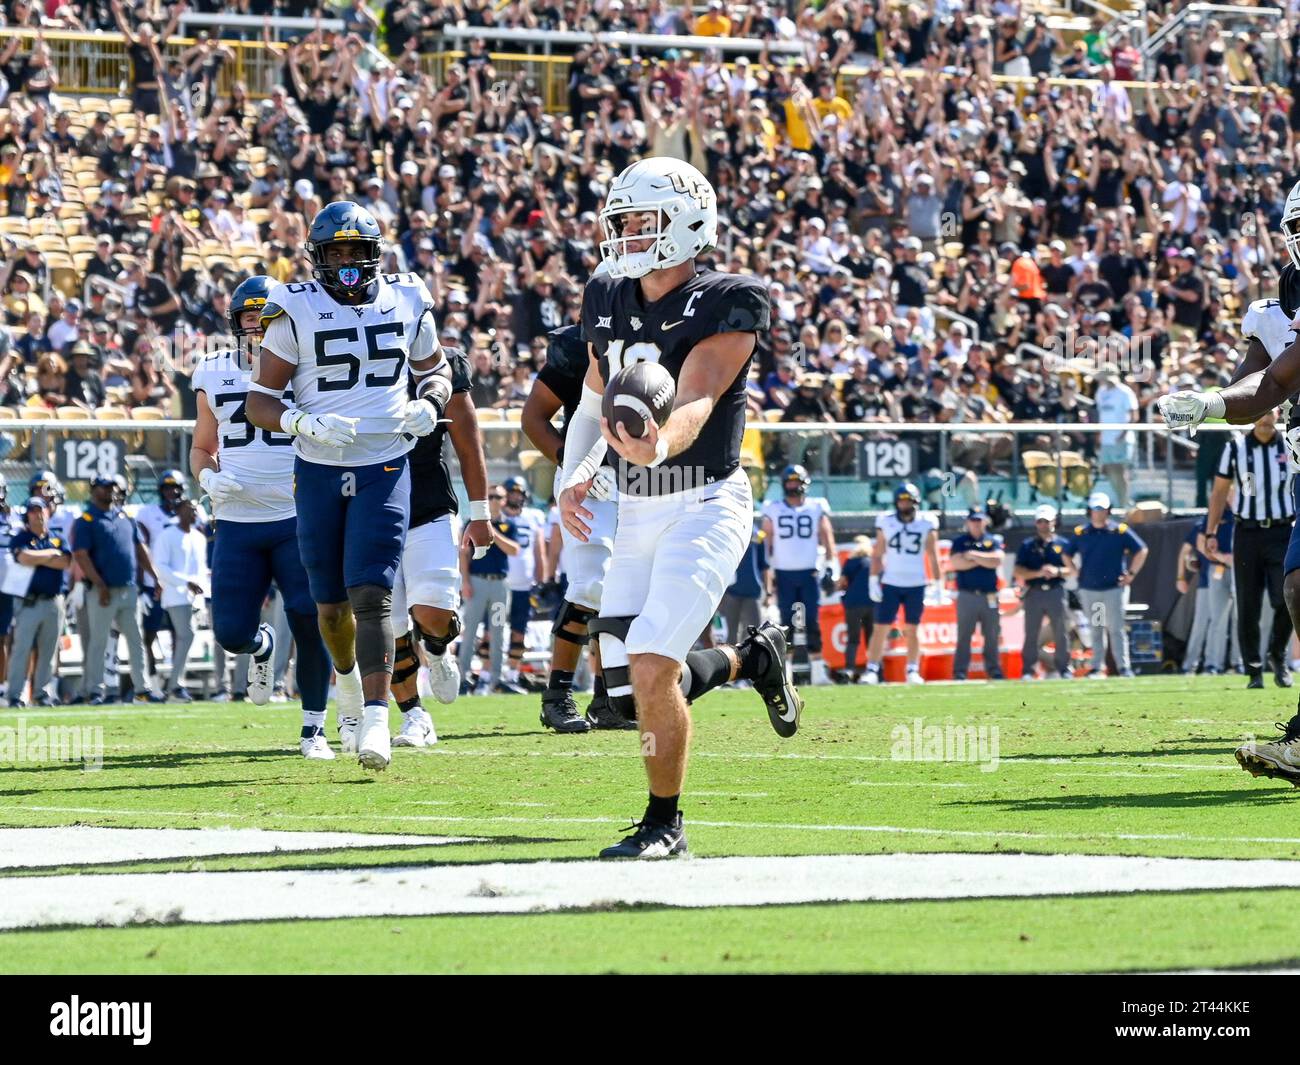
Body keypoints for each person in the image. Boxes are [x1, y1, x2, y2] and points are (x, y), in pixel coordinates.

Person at [558, 157, 802, 859]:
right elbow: (596, 391)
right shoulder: (605, 291)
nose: (629, 235)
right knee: (628, 693)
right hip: (635, 507)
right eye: (623, 221)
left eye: (644, 222)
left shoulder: (729, 298)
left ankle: (665, 822)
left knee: (649, 659)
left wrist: (656, 443)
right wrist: (579, 471)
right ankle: (751, 657)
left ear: (687, 225)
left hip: (705, 500)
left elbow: (697, 395)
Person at [246, 201, 481, 771]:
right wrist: (302, 421)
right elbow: (259, 401)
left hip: (386, 462)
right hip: (320, 467)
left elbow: (436, 369)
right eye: (337, 251)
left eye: (357, 250)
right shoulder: (292, 307)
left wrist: (429, 400)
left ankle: (379, 718)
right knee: (331, 609)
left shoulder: (406, 297)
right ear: (319, 257)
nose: (347, 262)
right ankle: (349, 690)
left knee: (372, 595)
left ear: (374, 255)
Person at [1158, 180, 1300, 778]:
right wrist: (1213, 399)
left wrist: (1218, 406)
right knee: (1296, 587)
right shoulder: (1278, 301)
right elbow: (1254, 381)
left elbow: (1274, 385)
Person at [191, 276, 337, 758]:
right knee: (231, 632)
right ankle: (261, 648)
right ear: (236, 323)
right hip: (235, 519)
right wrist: (207, 478)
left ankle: (313, 726)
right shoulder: (213, 370)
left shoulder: (308, 368)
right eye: (250, 318)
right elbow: (202, 446)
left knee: (309, 618)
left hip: (297, 514)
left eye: (266, 317)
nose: (258, 327)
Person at [387, 340, 491, 748]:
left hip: (427, 505)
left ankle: (437, 646)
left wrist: (480, 512)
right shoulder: (346, 353)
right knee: (387, 626)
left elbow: (467, 438)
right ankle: (414, 715)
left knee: (431, 612)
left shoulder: (442, 361)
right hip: (368, 508)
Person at [521, 323, 618, 732]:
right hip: (590, 481)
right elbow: (534, 417)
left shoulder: (668, 330)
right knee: (590, 587)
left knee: (622, 593)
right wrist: (572, 464)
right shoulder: (578, 344)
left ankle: (607, 697)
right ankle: (557, 694)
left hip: (642, 480)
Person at [1205, 412, 1294, 689]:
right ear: (1253, 416)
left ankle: (1277, 654)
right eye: (1262, 411)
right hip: (1247, 533)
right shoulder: (1235, 448)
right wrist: (1211, 530)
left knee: (1288, 597)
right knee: (1248, 603)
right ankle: (1253, 669)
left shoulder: (1291, 445)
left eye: (1271, 410)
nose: (1266, 417)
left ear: (1279, 412)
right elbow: (1220, 491)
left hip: (1282, 531)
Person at [71, 475, 165, 705]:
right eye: (105, 487)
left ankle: (142, 688)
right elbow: (81, 556)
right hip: (102, 591)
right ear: (94, 491)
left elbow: (139, 548)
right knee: (98, 642)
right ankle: (94, 689)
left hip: (128, 588)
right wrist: (100, 584)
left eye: (112, 487)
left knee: (136, 640)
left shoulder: (125, 517)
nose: (110, 491)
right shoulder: (87, 519)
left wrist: (155, 576)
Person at [761, 464, 836, 685]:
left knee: (811, 620)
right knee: (787, 623)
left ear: (804, 484)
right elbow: (767, 541)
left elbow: (827, 536)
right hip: (783, 574)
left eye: (796, 482)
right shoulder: (772, 508)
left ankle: (819, 673)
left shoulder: (816, 507)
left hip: (809, 573)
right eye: (790, 482)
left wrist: (831, 565)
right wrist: (769, 571)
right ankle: (786, 674)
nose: (793, 486)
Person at [862, 482, 941, 686]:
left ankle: (912, 669)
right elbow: (878, 553)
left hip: (916, 582)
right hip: (891, 581)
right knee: (881, 627)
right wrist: (873, 579)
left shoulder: (927, 521)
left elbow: (933, 554)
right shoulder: (886, 521)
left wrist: (938, 582)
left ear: (915, 502)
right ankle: (872, 668)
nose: (904, 505)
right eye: (901, 501)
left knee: (912, 628)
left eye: (908, 501)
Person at [1064, 492, 1148, 678]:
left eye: (1102, 509)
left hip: (1113, 589)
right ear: (1090, 511)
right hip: (1091, 590)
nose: (1099, 513)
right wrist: (1073, 570)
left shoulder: (1119, 531)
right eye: (1095, 509)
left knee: (1116, 629)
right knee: (1097, 629)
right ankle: (1096, 667)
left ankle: (1123, 667)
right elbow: (1066, 553)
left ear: (1108, 511)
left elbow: (1141, 550)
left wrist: (1131, 574)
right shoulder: (1082, 533)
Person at [6, 496, 70, 707]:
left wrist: (38, 557)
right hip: (29, 603)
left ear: (47, 512)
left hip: (54, 601)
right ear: (27, 514)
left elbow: (65, 562)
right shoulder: (21, 537)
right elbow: (23, 558)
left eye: (40, 509)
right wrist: (50, 554)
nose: (38, 513)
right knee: (21, 650)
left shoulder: (58, 537)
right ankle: (15, 695)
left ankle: (41, 693)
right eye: (33, 510)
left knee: (49, 651)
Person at [457, 485, 519, 694]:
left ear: (504, 500)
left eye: (497, 497)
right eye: (490, 496)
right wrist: (465, 582)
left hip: (500, 585)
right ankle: (463, 677)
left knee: (499, 631)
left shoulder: (509, 525)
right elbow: (464, 554)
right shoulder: (472, 523)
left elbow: (514, 550)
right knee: (470, 631)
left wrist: (493, 531)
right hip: (477, 582)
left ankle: (496, 679)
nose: (493, 500)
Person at [152, 497, 207, 702]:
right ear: (178, 511)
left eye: (194, 509)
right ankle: (175, 685)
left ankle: (176, 685)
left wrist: (200, 589)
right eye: (188, 509)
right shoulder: (167, 535)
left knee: (187, 638)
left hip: (195, 598)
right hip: (176, 596)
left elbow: (201, 569)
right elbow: (161, 567)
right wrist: (186, 583)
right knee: (187, 635)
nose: (193, 512)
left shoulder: (199, 538)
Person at [1014, 503, 1075, 679]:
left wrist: (1057, 571)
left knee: (1060, 631)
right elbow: (1018, 570)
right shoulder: (1027, 545)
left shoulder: (1063, 544)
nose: (1043, 525)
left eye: (1046, 521)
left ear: (1054, 521)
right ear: (1035, 523)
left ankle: (1064, 668)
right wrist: (1038, 573)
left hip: (1056, 590)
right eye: (1040, 521)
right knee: (1031, 632)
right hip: (1034, 591)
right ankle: (1028, 670)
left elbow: (1072, 569)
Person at [500, 475, 547, 694]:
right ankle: (493, 674)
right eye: (512, 492)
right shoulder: (497, 516)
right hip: (501, 585)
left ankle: (511, 674)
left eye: (518, 493)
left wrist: (542, 576)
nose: (515, 497)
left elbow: (538, 549)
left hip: (524, 586)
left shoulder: (533, 517)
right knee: (495, 629)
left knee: (519, 630)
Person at [947, 508, 1005, 681]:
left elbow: (997, 560)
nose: (976, 524)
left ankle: (994, 670)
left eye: (980, 521)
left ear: (985, 522)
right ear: (967, 522)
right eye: (973, 520)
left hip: (990, 595)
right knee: (964, 635)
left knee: (992, 635)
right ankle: (960, 672)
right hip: (967, 595)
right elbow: (957, 563)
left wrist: (973, 556)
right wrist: (984, 560)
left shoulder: (992, 540)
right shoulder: (960, 541)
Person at [720, 519, 768, 650]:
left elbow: (764, 565)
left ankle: (748, 666)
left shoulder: (757, 534)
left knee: (755, 633)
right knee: (730, 634)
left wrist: (768, 591)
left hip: (753, 591)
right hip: (730, 591)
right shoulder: (726, 531)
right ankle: (730, 668)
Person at [839, 535, 874, 683]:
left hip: (853, 604)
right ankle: (874, 670)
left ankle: (849, 669)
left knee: (853, 639)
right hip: (872, 602)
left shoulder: (850, 562)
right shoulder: (874, 562)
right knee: (872, 639)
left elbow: (842, 583)